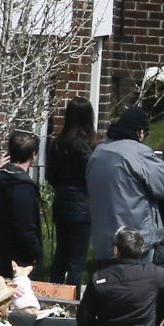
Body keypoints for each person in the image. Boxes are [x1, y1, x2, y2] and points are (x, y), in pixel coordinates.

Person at [85, 108, 164, 266]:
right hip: (135, 239)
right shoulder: (139, 153)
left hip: (104, 240)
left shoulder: (98, 152)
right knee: (137, 286)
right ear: (140, 132)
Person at [45, 99, 97, 283]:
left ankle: (54, 293)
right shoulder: (85, 145)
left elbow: (50, 175)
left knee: (61, 254)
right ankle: (72, 303)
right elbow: (92, 172)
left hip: (61, 202)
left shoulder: (58, 144)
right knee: (77, 259)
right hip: (82, 204)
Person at [0, 131, 47, 274]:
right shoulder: (23, 187)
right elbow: (26, 226)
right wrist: (36, 255)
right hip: (18, 259)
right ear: (33, 156)